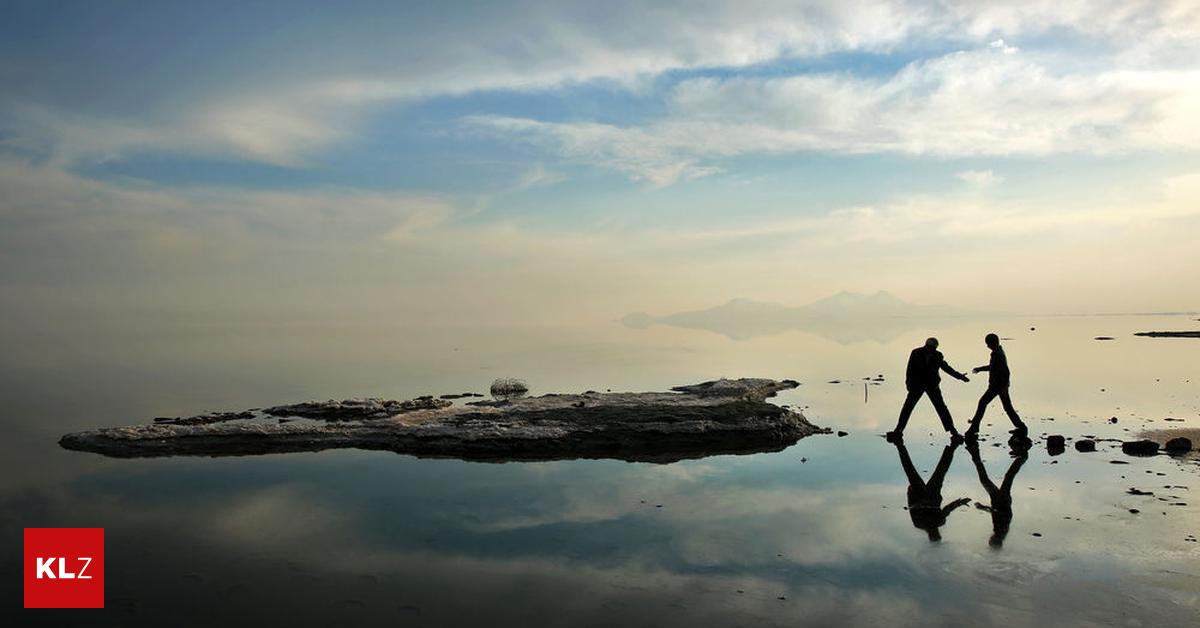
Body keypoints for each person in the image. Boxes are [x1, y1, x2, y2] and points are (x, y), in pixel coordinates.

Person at [887, 337, 969, 442]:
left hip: (932, 385)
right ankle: (898, 430)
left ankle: (953, 432)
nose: (930, 349)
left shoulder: (938, 355)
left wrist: (959, 376)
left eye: (932, 348)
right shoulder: (916, 352)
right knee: (908, 407)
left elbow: (945, 367)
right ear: (926, 345)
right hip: (917, 385)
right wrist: (908, 383)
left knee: (941, 408)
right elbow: (910, 369)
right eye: (929, 347)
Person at [893, 440, 970, 542]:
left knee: (912, 470)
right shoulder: (938, 522)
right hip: (932, 496)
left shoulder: (919, 523)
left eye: (934, 534)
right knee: (939, 472)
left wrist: (912, 494)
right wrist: (959, 503)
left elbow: (911, 507)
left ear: (930, 535)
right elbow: (947, 510)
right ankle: (952, 446)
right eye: (937, 534)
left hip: (919, 495)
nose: (935, 532)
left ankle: (899, 445)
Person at [966, 439, 1028, 548]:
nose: (989, 538)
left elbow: (995, 513)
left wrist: (986, 508)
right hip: (1002, 501)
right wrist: (983, 507)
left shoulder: (1001, 532)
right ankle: (1023, 457)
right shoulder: (1001, 530)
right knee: (1001, 478)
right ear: (994, 540)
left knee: (996, 479)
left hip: (998, 501)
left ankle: (975, 453)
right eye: (991, 540)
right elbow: (999, 514)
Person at [965, 333, 1028, 440]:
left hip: (997, 386)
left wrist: (1004, 386)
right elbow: (993, 367)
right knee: (1007, 407)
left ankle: (974, 427)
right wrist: (980, 369)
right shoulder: (998, 352)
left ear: (991, 343)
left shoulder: (997, 354)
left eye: (987, 343)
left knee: (983, 403)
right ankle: (1021, 427)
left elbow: (1005, 371)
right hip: (998, 386)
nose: (987, 346)